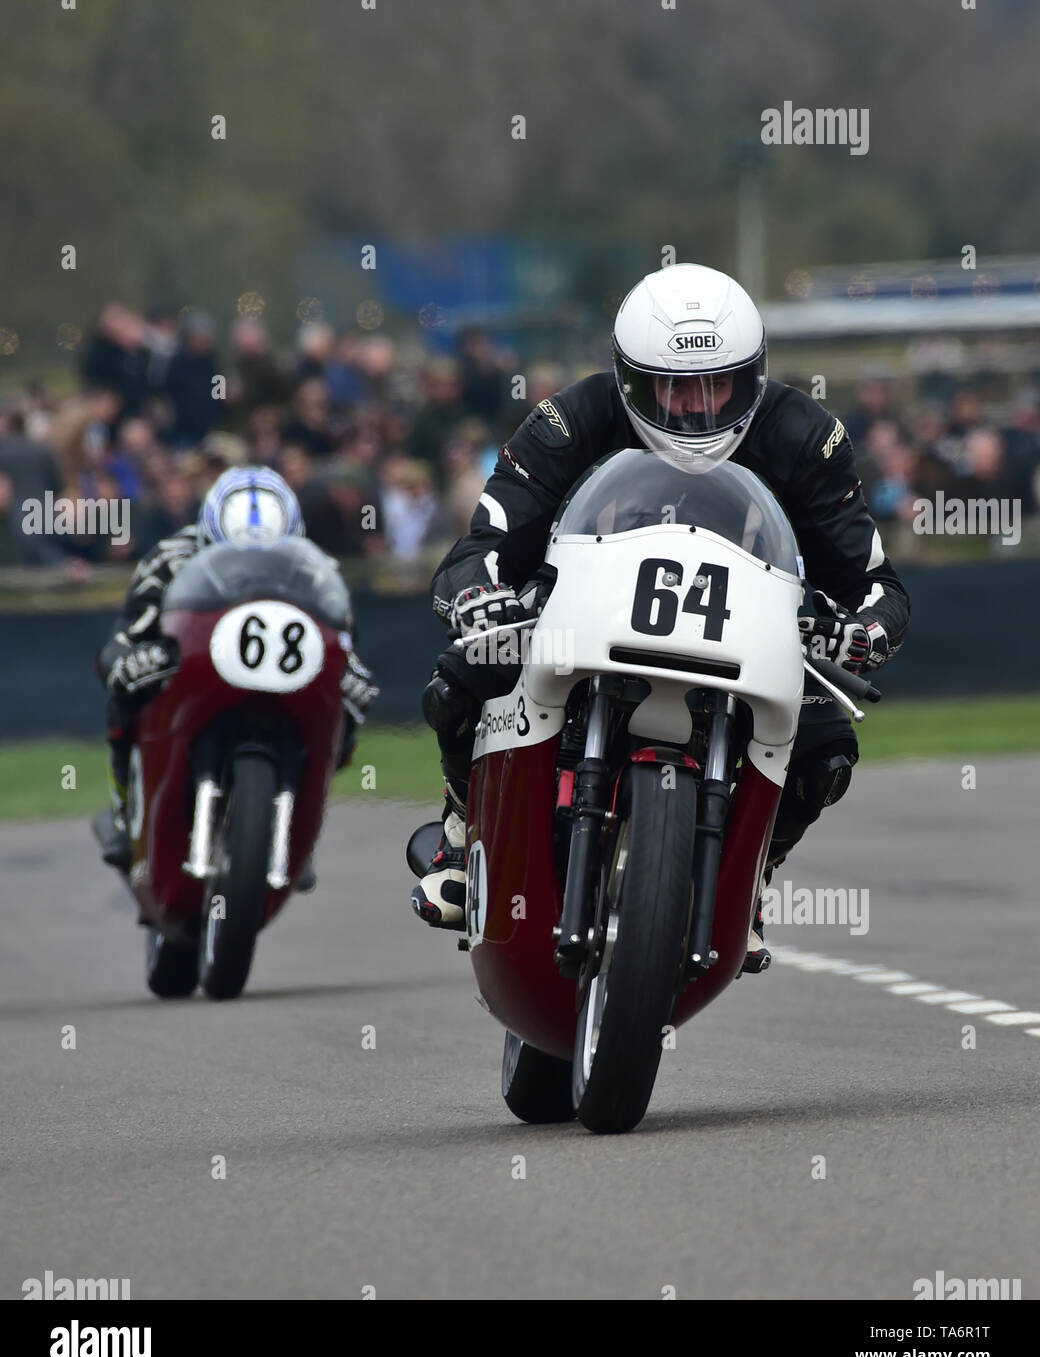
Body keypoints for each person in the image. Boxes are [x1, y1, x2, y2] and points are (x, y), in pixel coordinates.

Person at [410, 263, 910, 975]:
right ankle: (464, 835)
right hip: (584, 613)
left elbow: (875, 584)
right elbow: (482, 547)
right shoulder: (569, 420)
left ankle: (751, 875)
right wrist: (479, 597)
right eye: (671, 386)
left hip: (744, 629)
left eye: (719, 385)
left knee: (828, 748)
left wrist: (860, 631)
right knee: (464, 673)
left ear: (754, 378)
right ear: (628, 379)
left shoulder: (807, 437)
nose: (696, 408)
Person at [93, 466, 379, 872]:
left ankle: (300, 820)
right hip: (191, 668)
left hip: (287, 685)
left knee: (345, 720)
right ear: (208, 537)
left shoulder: (317, 568)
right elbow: (125, 634)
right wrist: (126, 659)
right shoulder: (169, 558)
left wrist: (352, 676)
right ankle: (125, 813)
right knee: (124, 699)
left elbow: (344, 639)